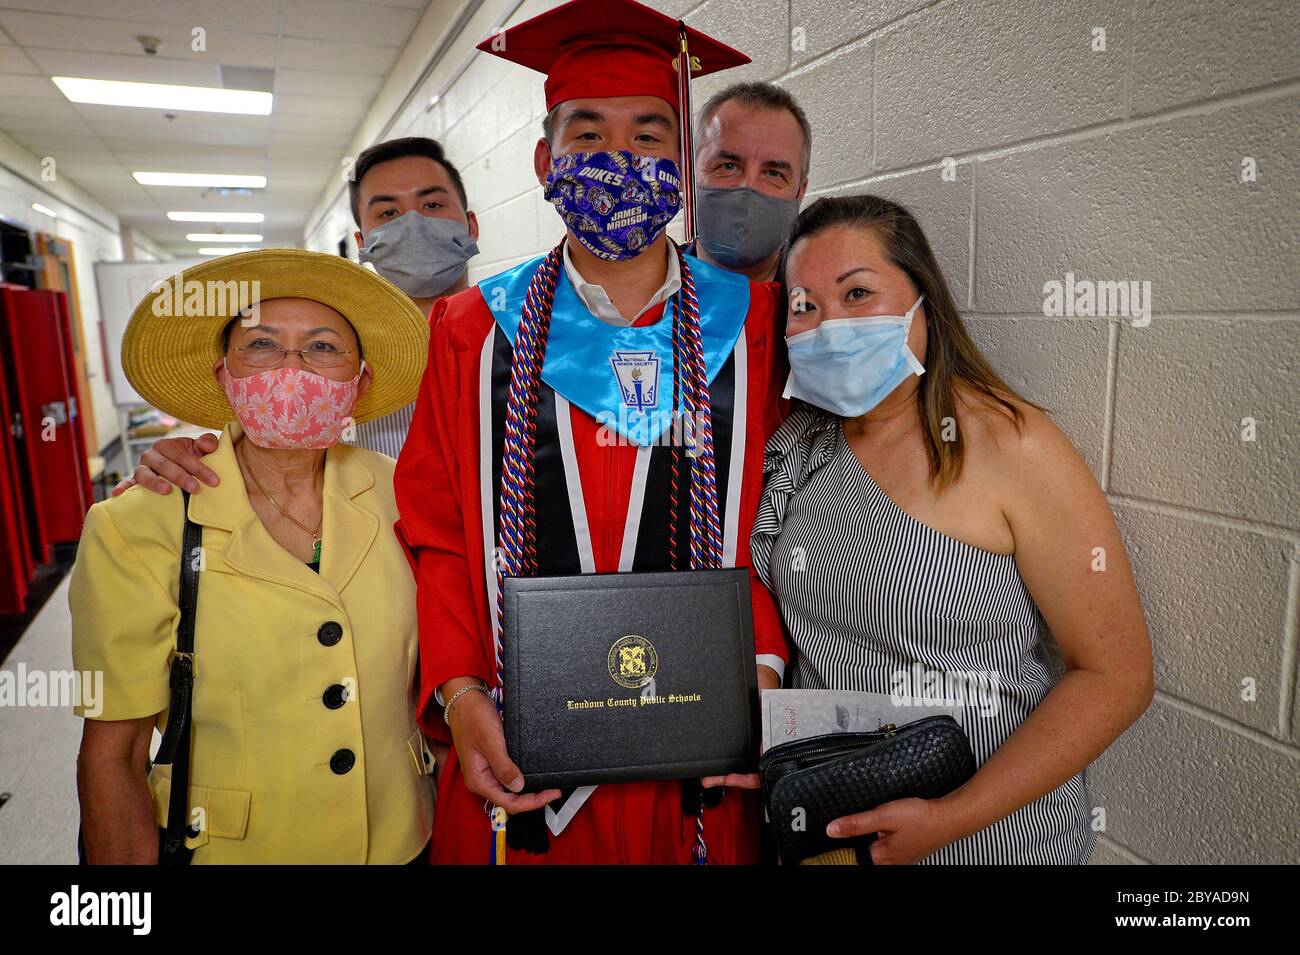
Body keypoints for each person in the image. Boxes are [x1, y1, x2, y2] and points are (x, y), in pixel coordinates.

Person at [394, 0, 789, 864]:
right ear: (545, 159)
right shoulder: (471, 329)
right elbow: (438, 536)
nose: (619, 158)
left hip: (699, 756)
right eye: (588, 135)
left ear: (681, 163)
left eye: (649, 136)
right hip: (520, 754)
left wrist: (756, 683)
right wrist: (462, 698)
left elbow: (772, 527)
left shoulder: (753, 324)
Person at [750, 195, 1155, 864]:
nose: (831, 325)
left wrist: (952, 817)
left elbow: (1117, 676)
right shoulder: (793, 448)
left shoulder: (1012, 446)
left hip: (993, 836)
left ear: (925, 307)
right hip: (832, 824)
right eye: (806, 306)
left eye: (858, 293)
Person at [72, 249, 436, 863]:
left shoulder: (408, 496)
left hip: (401, 837)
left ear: (360, 382)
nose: (292, 366)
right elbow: (114, 753)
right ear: (222, 375)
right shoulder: (137, 524)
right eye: (262, 345)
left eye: (323, 347)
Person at [113, 136, 478, 492]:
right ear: (363, 244)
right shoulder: (328, 371)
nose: (412, 223)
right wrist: (176, 465)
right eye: (388, 213)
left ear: (471, 225)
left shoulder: (525, 336)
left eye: (432, 205)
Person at [692, 81, 811, 285]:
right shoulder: (646, 294)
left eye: (773, 173)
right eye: (728, 166)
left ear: (800, 193)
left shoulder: (820, 303)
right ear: (688, 177)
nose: (749, 187)